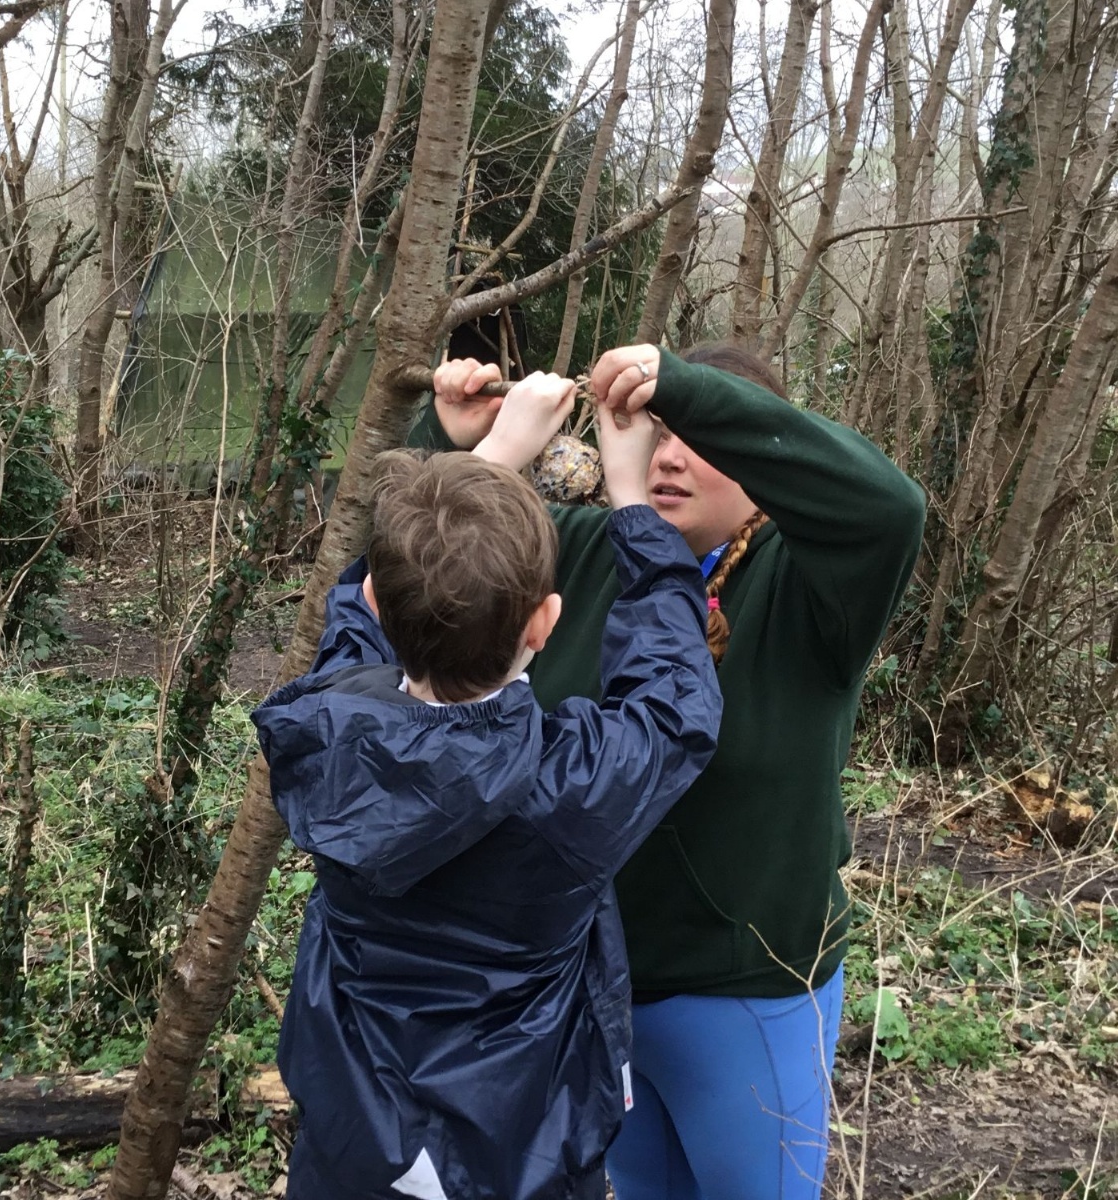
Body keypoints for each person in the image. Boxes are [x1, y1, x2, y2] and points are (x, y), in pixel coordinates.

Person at [418, 343, 927, 1200]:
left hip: (745, 994)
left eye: (701, 438)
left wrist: (687, 389)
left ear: (765, 463)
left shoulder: (807, 587)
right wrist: (460, 445)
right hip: (591, 986)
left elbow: (891, 508)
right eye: (654, 434)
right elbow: (418, 578)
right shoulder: (580, 554)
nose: (671, 456)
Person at [252, 370, 723, 1200]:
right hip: (521, 1149)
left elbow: (359, 606)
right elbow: (676, 702)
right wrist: (630, 499)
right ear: (546, 621)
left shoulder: (328, 729)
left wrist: (497, 451)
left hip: (354, 1142)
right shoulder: (570, 784)